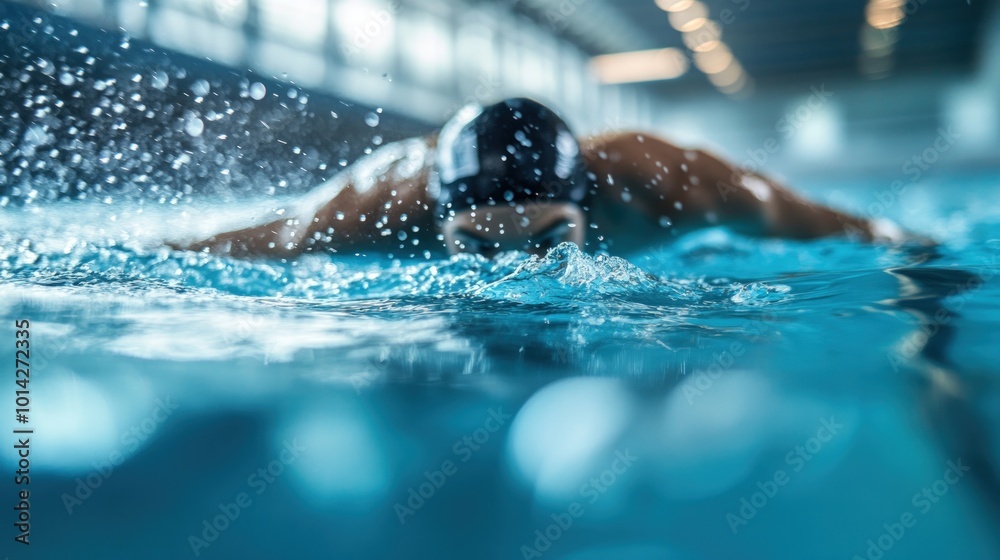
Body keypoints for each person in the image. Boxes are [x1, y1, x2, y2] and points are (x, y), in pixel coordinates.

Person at [175, 97, 919, 258]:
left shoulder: (673, 187)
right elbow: (237, 241)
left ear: (585, 202)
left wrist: (907, 247)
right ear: (436, 219)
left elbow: (848, 228)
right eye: (479, 247)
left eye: (544, 243)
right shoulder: (371, 209)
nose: (514, 272)